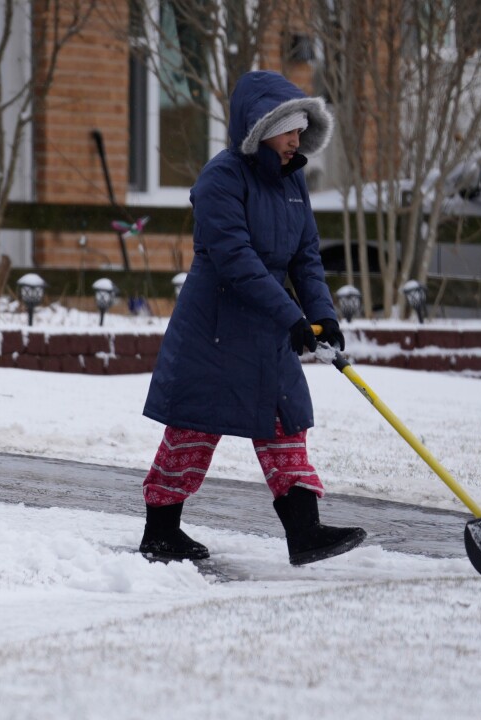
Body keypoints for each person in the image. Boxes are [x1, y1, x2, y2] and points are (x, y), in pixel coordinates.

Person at [137, 70, 363, 566]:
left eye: (301, 132)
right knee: (193, 428)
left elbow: (306, 256)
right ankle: (161, 531)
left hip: (267, 327)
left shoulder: (292, 181)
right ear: (261, 129)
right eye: (288, 131)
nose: (295, 142)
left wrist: (321, 315)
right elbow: (236, 259)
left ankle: (305, 533)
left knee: (284, 423)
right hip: (214, 328)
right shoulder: (220, 179)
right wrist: (291, 317)